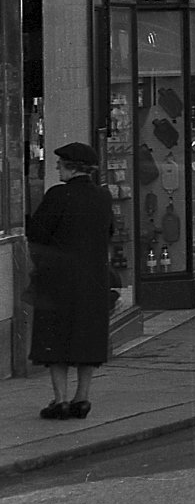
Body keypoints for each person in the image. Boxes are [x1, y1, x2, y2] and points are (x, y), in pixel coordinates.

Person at [26, 142, 116, 420]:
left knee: (56, 339)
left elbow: (38, 232)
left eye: (60, 165)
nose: (57, 168)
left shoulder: (58, 195)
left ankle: (60, 400)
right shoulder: (103, 197)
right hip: (93, 279)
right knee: (87, 339)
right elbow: (109, 232)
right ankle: (82, 398)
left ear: (72, 167)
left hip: (58, 280)